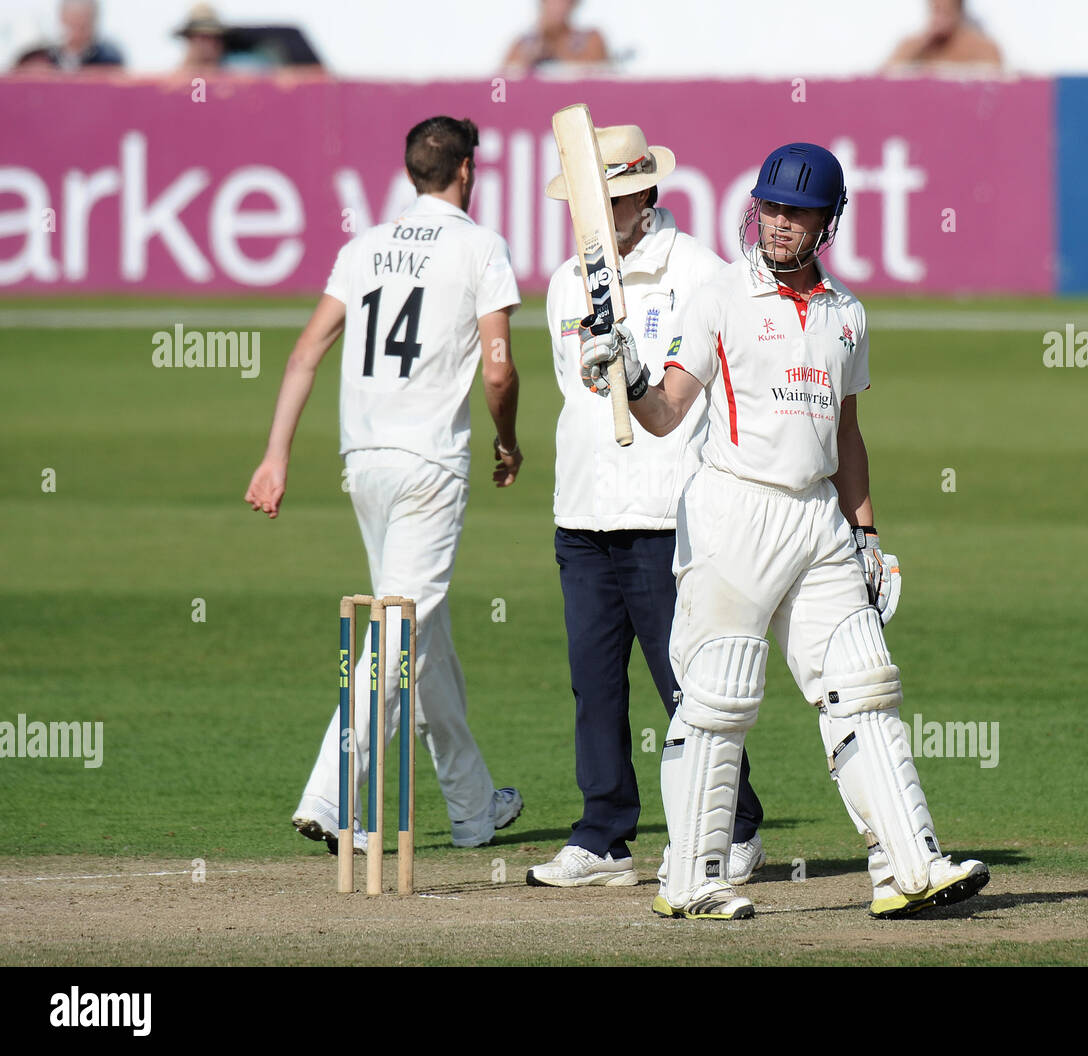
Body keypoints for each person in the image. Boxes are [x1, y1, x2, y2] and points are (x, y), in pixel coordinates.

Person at [581, 142, 990, 920]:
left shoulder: (847, 314)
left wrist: (866, 534)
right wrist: (627, 375)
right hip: (733, 512)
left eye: (797, 212)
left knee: (865, 686)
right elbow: (665, 414)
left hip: (819, 520)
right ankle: (692, 881)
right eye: (769, 207)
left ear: (827, 221)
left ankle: (909, 866)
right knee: (718, 700)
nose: (778, 224)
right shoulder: (720, 297)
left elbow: (848, 433)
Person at [244, 115, 525, 855]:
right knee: (399, 632)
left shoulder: (363, 246)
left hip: (362, 462)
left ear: (411, 173)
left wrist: (275, 457)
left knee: (421, 634)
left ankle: (472, 806)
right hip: (430, 463)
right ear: (466, 170)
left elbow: (306, 352)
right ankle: (333, 795)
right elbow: (498, 367)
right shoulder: (480, 247)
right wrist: (508, 437)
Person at [526, 125, 765, 889]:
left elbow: (722, 387)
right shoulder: (569, 279)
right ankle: (603, 837)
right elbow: (573, 391)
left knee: (686, 681)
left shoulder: (698, 271)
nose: (589, 215)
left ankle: (736, 824)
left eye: (604, 199)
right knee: (593, 683)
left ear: (639, 195)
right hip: (583, 510)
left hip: (668, 510)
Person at [883, 0, 1002, 72]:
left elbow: (996, 78)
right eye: (937, 9)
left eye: (947, 10)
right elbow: (882, 77)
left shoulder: (983, 47)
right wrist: (923, 45)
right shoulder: (912, 45)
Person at [501, 0, 609, 73]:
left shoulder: (591, 38)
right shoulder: (523, 44)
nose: (557, 6)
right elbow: (505, 77)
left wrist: (556, 48)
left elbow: (597, 72)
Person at [48, 0, 123, 70]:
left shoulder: (109, 58)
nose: (77, 30)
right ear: (62, 19)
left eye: (83, 25)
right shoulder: (46, 56)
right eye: (73, 23)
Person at [175, 3, 226, 71]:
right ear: (189, 39)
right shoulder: (169, 79)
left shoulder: (234, 78)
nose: (209, 44)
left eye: (216, 38)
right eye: (203, 38)